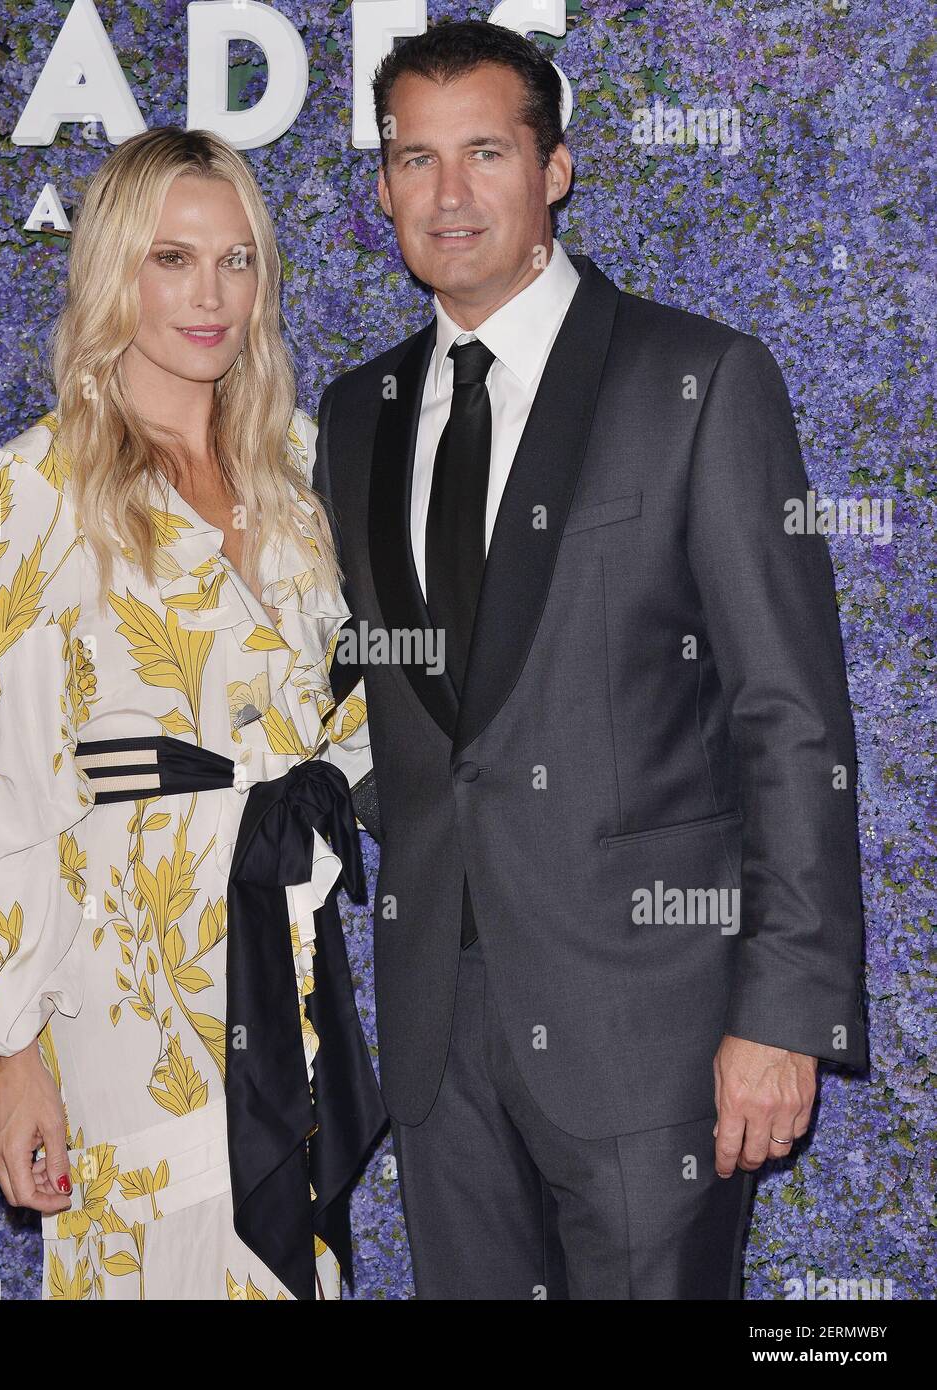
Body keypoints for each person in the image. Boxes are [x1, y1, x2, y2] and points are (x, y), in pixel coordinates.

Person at [314, 21, 868, 1299]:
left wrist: (783, 1008)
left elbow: (787, 717)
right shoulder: (355, 417)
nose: (447, 195)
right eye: (413, 159)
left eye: (485, 152)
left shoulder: (695, 379)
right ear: (384, 186)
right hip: (440, 1042)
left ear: (555, 169)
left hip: (651, 1030)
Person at [0, 126, 385, 1301]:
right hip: (124, 997)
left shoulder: (300, 468)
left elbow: (361, 711)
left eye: (236, 261)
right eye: (172, 258)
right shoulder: (40, 483)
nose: (209, 295)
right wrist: (13, 1055)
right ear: (114, 270)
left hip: (288, 977)